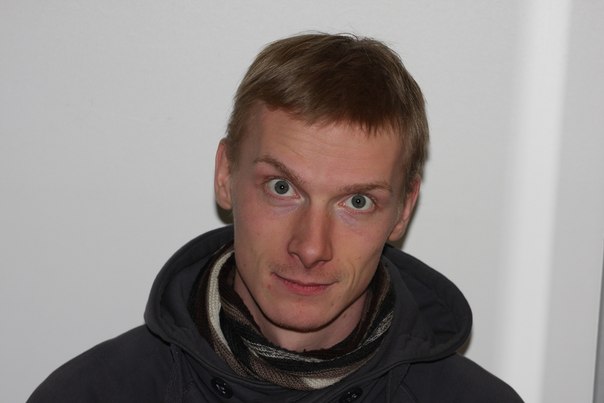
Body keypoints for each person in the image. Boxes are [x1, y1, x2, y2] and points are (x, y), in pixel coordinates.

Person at [28, 33, 523, 402]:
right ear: (226, 175)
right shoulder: (91, 394)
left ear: (403, 210)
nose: (310, 247)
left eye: (357, 202)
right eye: (282, 188)